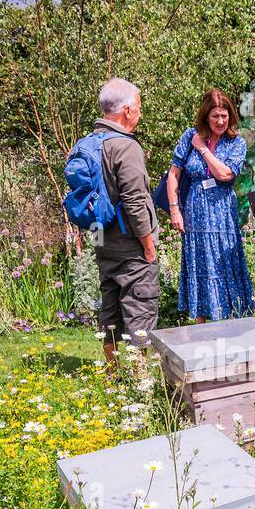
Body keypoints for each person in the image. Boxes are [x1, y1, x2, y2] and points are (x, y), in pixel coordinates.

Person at [168, 89, 253, 322]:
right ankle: (200, 324)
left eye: (224, 116)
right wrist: (175, 210)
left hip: (222, 212)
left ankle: (231, 321)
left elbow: (225, 174)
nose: (220, 121)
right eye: (215, 116)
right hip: (194, 210)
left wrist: (203, 149)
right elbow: (173, 175)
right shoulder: (190, 136)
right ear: (206, 115)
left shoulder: (236, 143)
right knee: (200, 263)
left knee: (224, 262)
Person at [91, 77, 159, 367]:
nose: (140, 114)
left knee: (110, 305)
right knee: (139, 305)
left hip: (102, 237)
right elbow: (134, 200)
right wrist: (148, 244)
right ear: (128, 110)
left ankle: (112, 373)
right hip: (130, 242)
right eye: (140, 107)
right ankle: (139, 379)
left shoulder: (89, 142)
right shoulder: (125, 146)